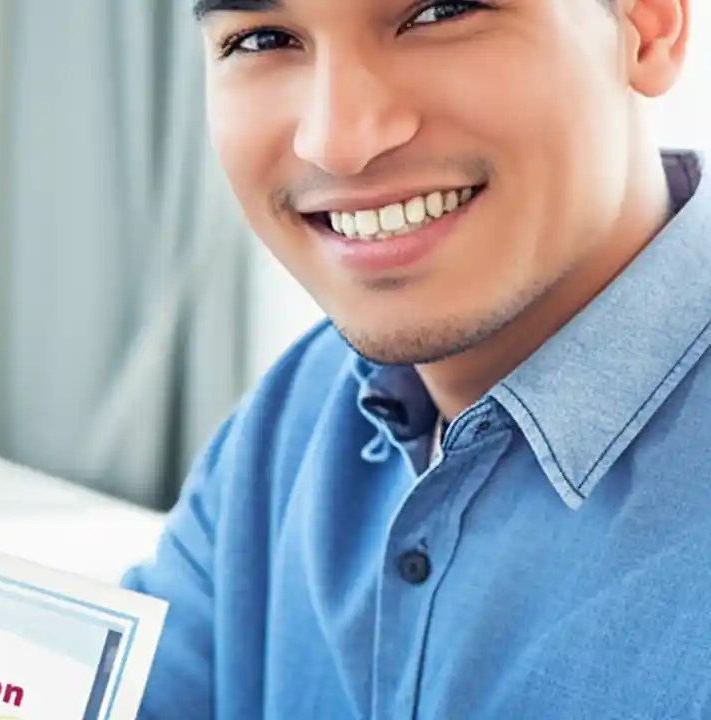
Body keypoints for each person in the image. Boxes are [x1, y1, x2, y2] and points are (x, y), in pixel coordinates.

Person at [122, 0, 705, 717]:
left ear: (649, 26)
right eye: (262, 38)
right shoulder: (290, 422)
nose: (337, 140)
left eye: (439, 12)